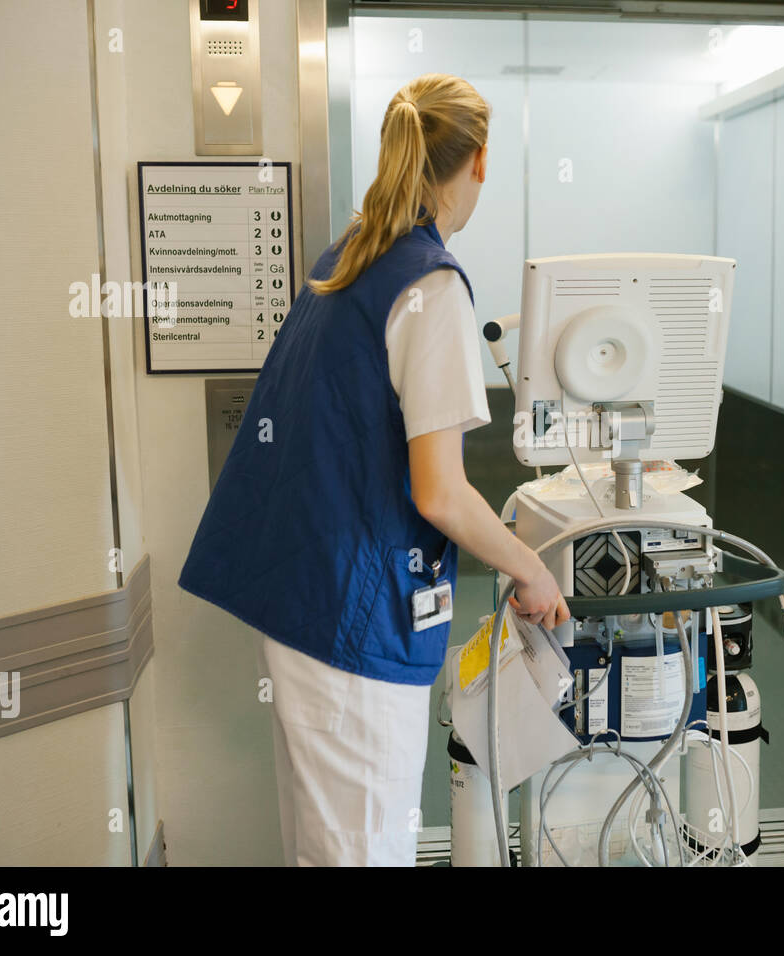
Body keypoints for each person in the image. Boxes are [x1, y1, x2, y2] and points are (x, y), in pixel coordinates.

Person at [178, 73, 570, 866]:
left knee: (325, 846)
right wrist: (532, 569)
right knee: (362, 850)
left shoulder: (349, 260)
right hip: (347, 622)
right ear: (480, 162)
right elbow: (440, 491)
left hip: (304, 601)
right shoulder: (427, 286)